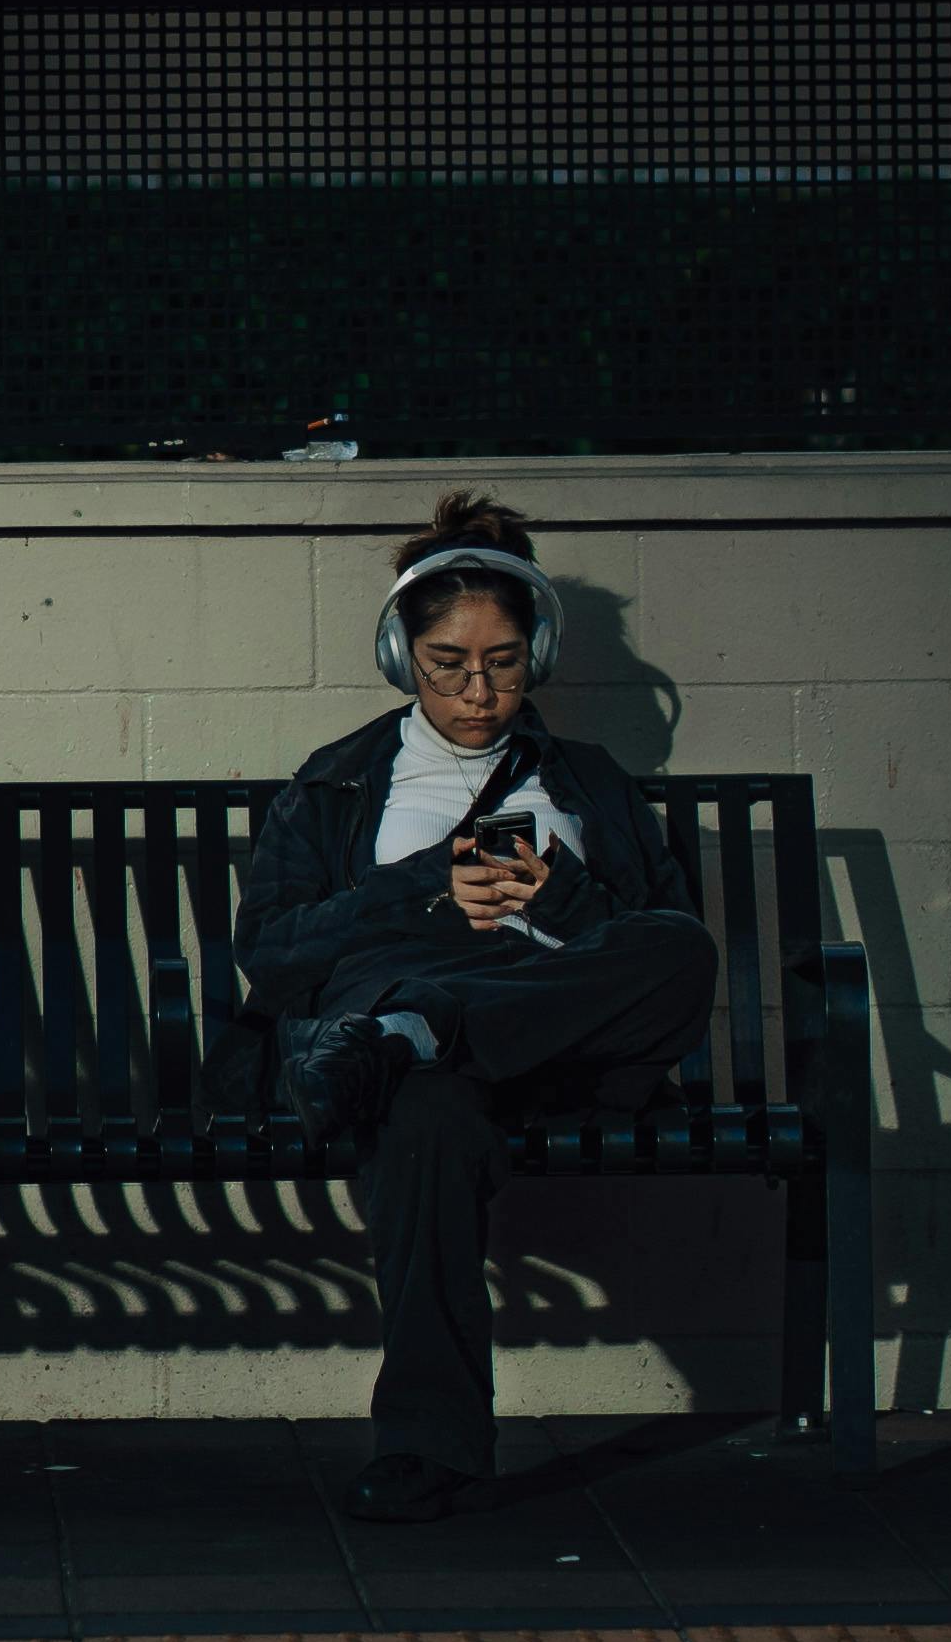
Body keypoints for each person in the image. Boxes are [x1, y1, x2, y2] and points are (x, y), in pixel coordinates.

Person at [224, 487, 717, 1524]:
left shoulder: (588, 782)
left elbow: (660, 945)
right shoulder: (339, 785)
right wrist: (425, 889)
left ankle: (425, 1028)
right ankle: (427, 1448)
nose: (478, 692)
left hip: (553, 1051)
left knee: (678, 948)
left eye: (501, 663)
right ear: (403, 659)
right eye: (448, 665)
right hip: (408, 1053)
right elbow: (269, 954)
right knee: (423, 1120)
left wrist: (562, 898)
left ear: (536, 656)